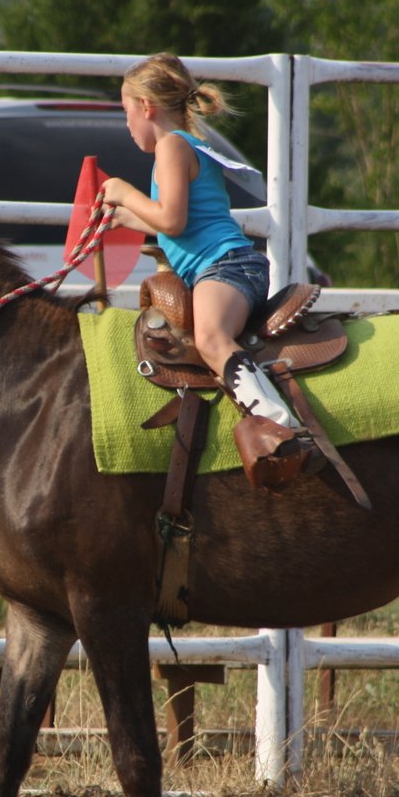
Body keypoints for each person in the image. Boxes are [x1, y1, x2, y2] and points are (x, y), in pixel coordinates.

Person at [100, 52, 309, 486]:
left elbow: (171, 220)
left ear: (146, 107)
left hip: (226, 266)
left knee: (212, 337)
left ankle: (279, 427)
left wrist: (124, 192)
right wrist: (126, 219)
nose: (126, 125)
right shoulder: (182, 146)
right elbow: (176, 224)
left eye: (125, 112)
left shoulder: (172, 146)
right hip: (225, 264)